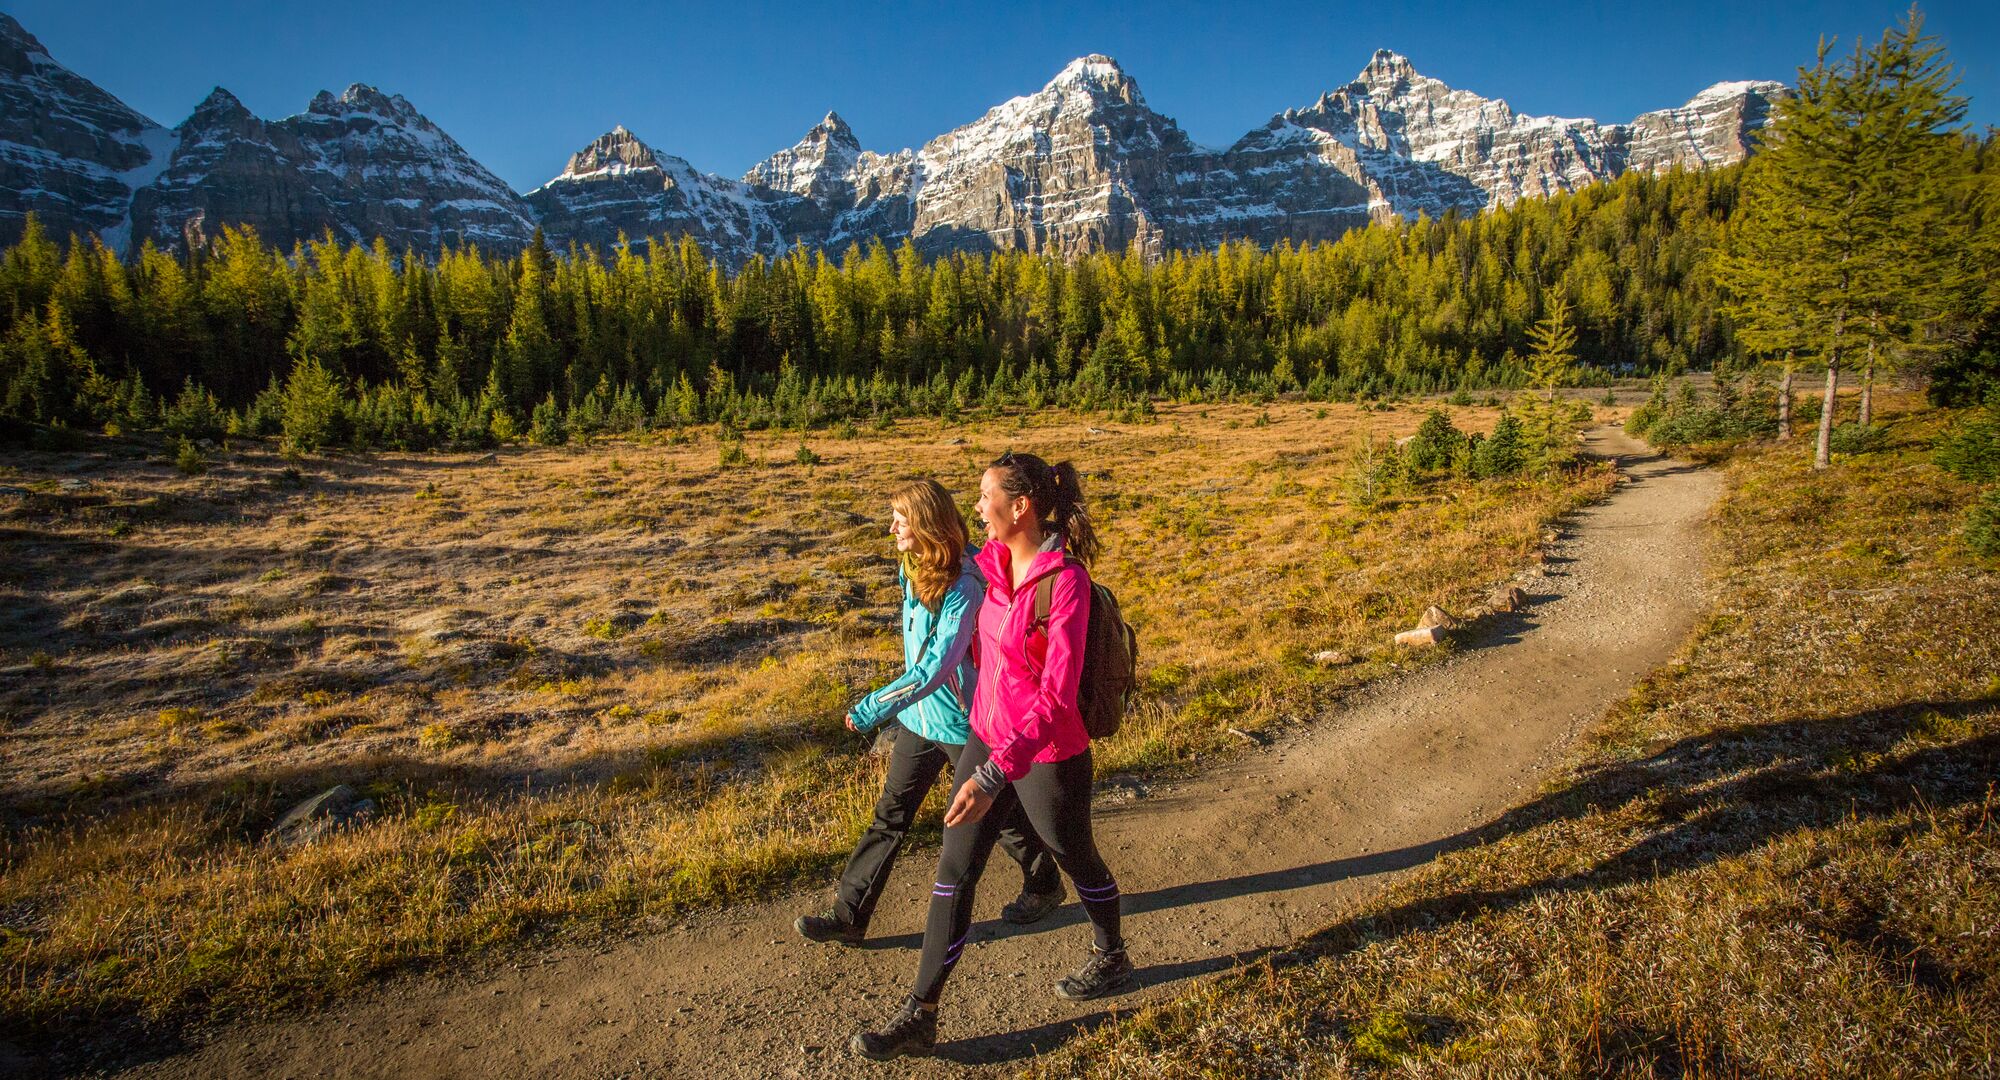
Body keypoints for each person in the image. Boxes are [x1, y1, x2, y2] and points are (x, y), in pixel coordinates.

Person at [851, 452, 1133, 1061]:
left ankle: (1111, 955)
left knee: (1075, 855)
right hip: (986, 734)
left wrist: (995, 771)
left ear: (1021, 507)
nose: (978, 508)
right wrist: (909, 526)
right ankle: (921, 1013)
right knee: (953, 872)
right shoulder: (988, 564)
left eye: (985, 498)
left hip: (1047, 753)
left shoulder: (1066, 584)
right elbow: (937, 559)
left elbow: (1057, 700)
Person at [795, 479, 1065, 947]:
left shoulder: (965, 584)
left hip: (963, 724)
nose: (892, 528)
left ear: (925, 523)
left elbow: (935, 667)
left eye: (900, 519)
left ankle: (1044, 883)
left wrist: (871, 707)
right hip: (918, 721)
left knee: (992, 818)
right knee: (890, 817)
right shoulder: (913, 565)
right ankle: (849, 915)